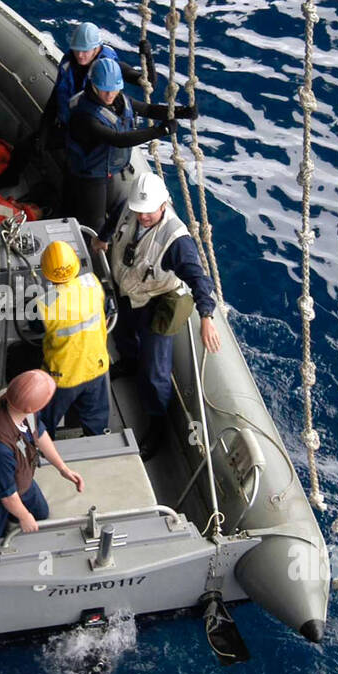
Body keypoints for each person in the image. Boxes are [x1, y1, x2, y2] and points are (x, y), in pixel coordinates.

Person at [94, 171, 221, 461]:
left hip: (156, 300)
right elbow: (116, 220)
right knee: (123, 333)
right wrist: (102, 239)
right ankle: (128, 362)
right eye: (139, 211)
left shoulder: (176, 240)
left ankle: (157, 424)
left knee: (155, 371)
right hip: (128, 290)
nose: (142, 217)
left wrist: (206, 316)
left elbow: (199, 279)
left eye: (148, 212)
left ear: (163, 204)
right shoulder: (131, 207)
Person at [0, 369, 85, 570]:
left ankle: (8, 518)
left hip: (17, 481)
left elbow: (38, 432)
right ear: (35, 405)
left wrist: (62, 468)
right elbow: (7, 495)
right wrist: (24, 516)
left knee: (40, 513)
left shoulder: (19, 405)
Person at [66, 56, 196, 233]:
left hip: (108, 167)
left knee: (114, 210)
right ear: (94, 85)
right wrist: (160, 131)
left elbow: (147, 109)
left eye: (114, 89)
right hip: (91, 173)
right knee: (94, 222)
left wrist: (180, 112)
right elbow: (118, 139)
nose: (110, 95)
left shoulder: (119, 99)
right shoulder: (86, 114)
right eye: (105, 90)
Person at [39, 22, 157, 149]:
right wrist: (43, 133)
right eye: (77, 49)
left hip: (93, 133)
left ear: (97, 48)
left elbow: (148, 83)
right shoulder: (69, 63)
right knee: (29, 147)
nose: (80, 55)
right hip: (70, 125)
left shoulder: (110, 68)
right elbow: (56, 98)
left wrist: (148, 58)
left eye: (85, 50)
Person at [36, 240, 110, 437]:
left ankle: (43, 452)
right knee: (96, 420)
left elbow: (34, 327)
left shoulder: (45, 303)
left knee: (45, 420)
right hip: (96, 367)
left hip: (63, 377)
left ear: (46, 272)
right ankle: (99, 451)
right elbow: (108, 308)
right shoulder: (92, 282)